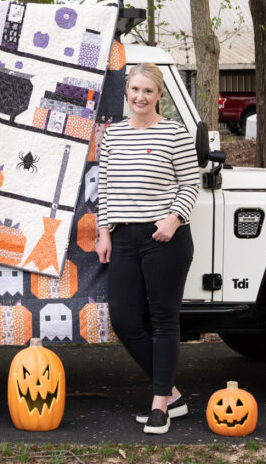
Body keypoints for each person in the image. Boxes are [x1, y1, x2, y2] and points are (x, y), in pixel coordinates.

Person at [96, 63, 199, 435]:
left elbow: (191, 183)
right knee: (124, 319)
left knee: (163, 320)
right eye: (135, 89)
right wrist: (104, 231)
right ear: (127, 90)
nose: (141, 97)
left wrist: (173, 220)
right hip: (123, 237)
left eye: (148, 91)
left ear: (159, 96)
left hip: (164, 238)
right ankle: (170, 392)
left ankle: (160, 406)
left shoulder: (174, 133)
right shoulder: (113, 135)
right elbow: (104, 188)